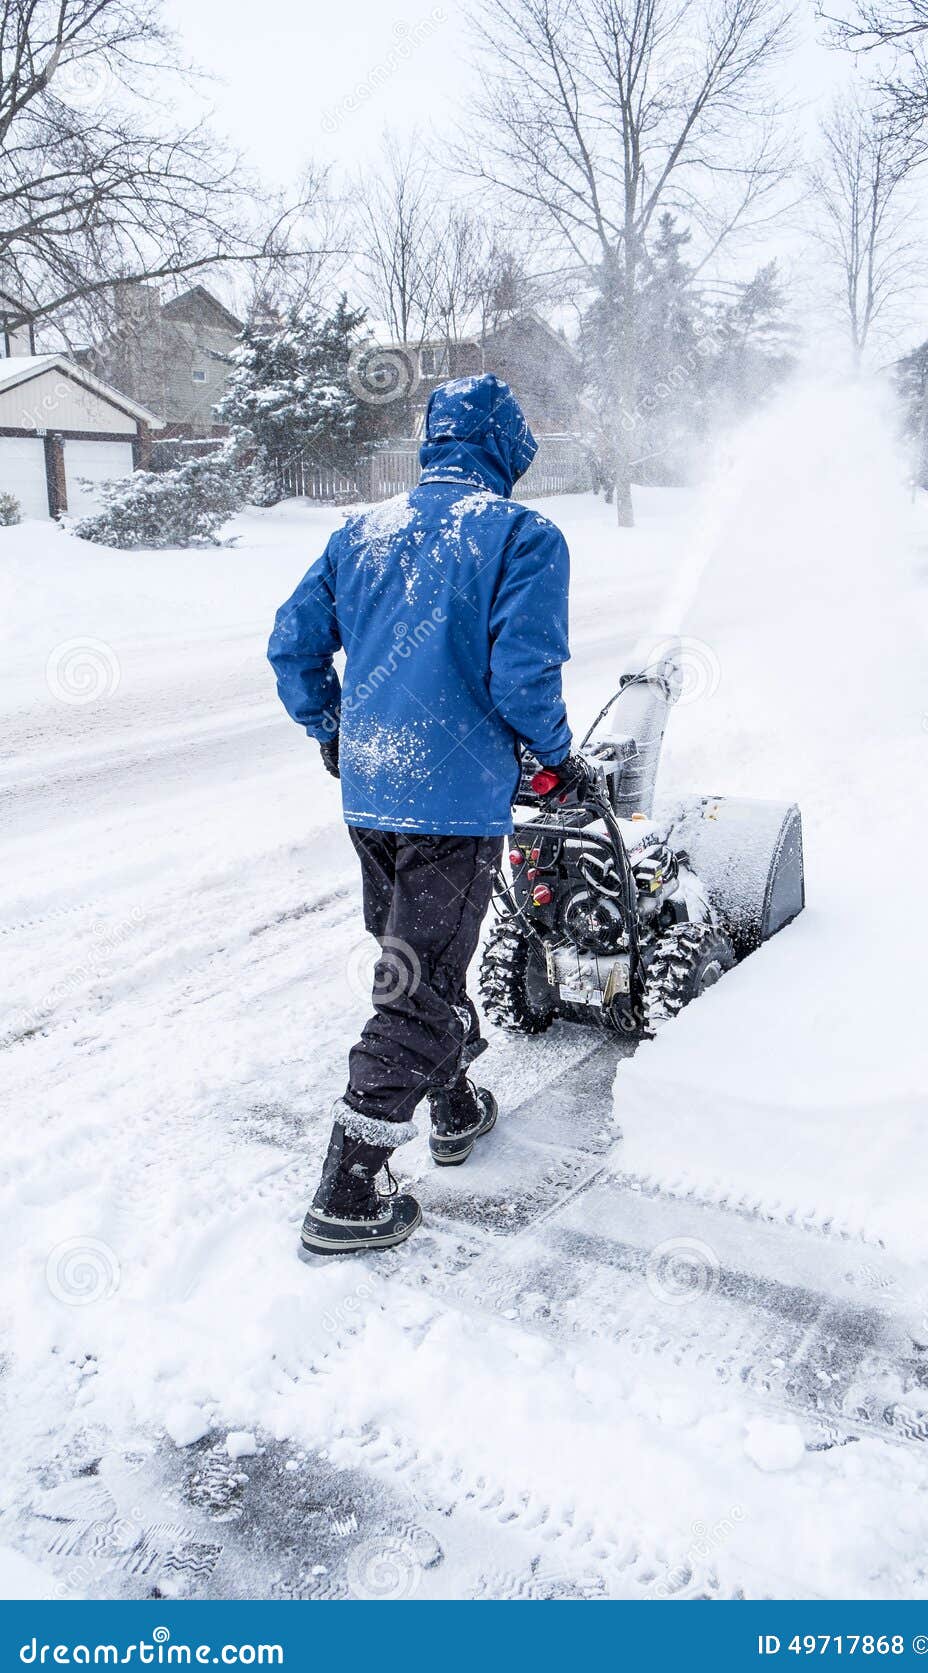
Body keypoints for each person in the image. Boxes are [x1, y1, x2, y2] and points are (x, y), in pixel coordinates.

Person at [268, 373, 593, 1255]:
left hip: (370, 791)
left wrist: (334, 731)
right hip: (453, 801)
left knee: (413, 957)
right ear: (505, 450)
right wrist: (559, 764)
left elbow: (292, 646)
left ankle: (453, 1105)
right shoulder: (521, 534)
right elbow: (522, 677)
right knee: (414, 980)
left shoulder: (358, 534)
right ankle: (348, 1187)